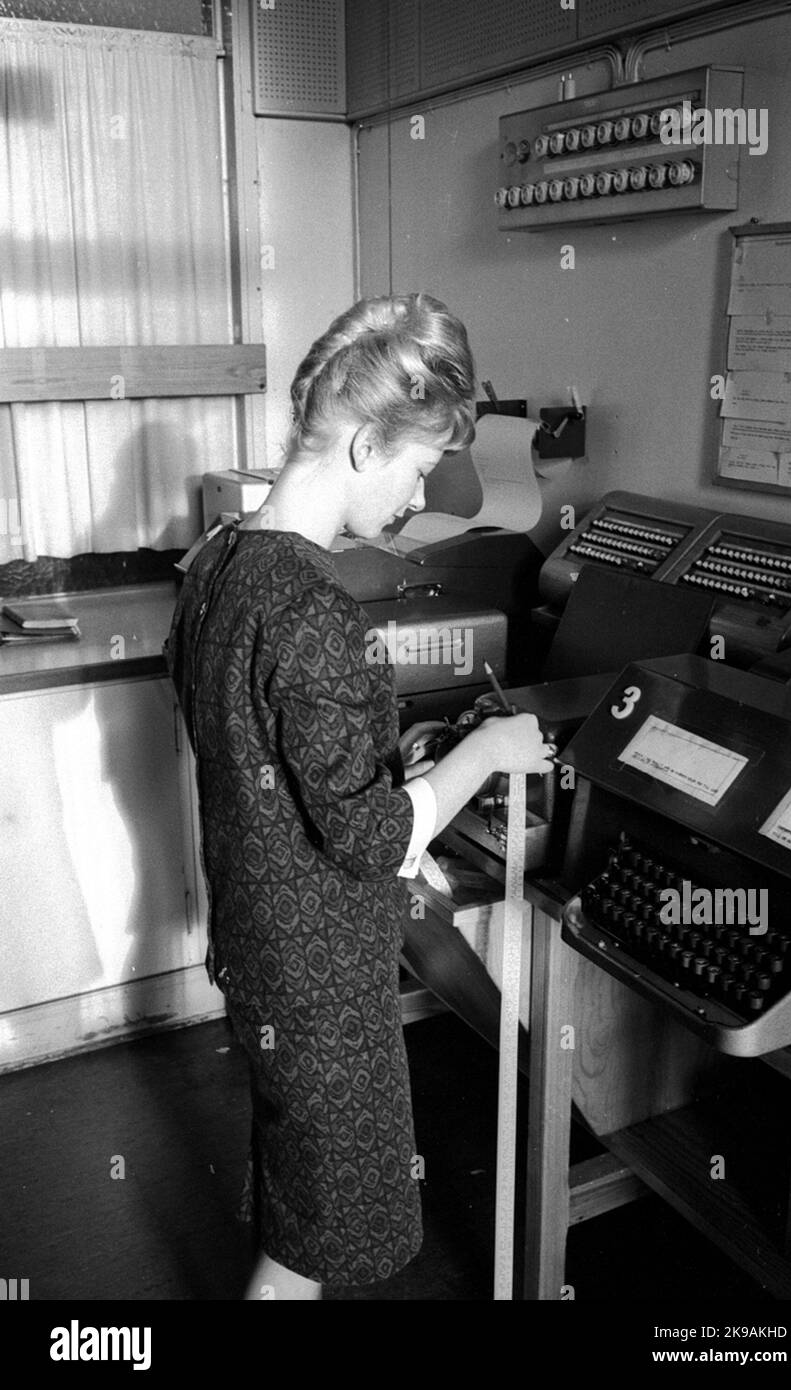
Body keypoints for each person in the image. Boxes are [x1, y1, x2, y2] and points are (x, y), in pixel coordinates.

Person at [165, 293, 554, 1300]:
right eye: (419, 469)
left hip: (257, 942)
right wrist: (486, 751)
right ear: (365, 443)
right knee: (320, 1236)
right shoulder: (316, 612)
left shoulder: (216, 566)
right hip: (322, 976)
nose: (418, 497)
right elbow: (372, 837)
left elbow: (239, 736)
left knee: (303, 1201)